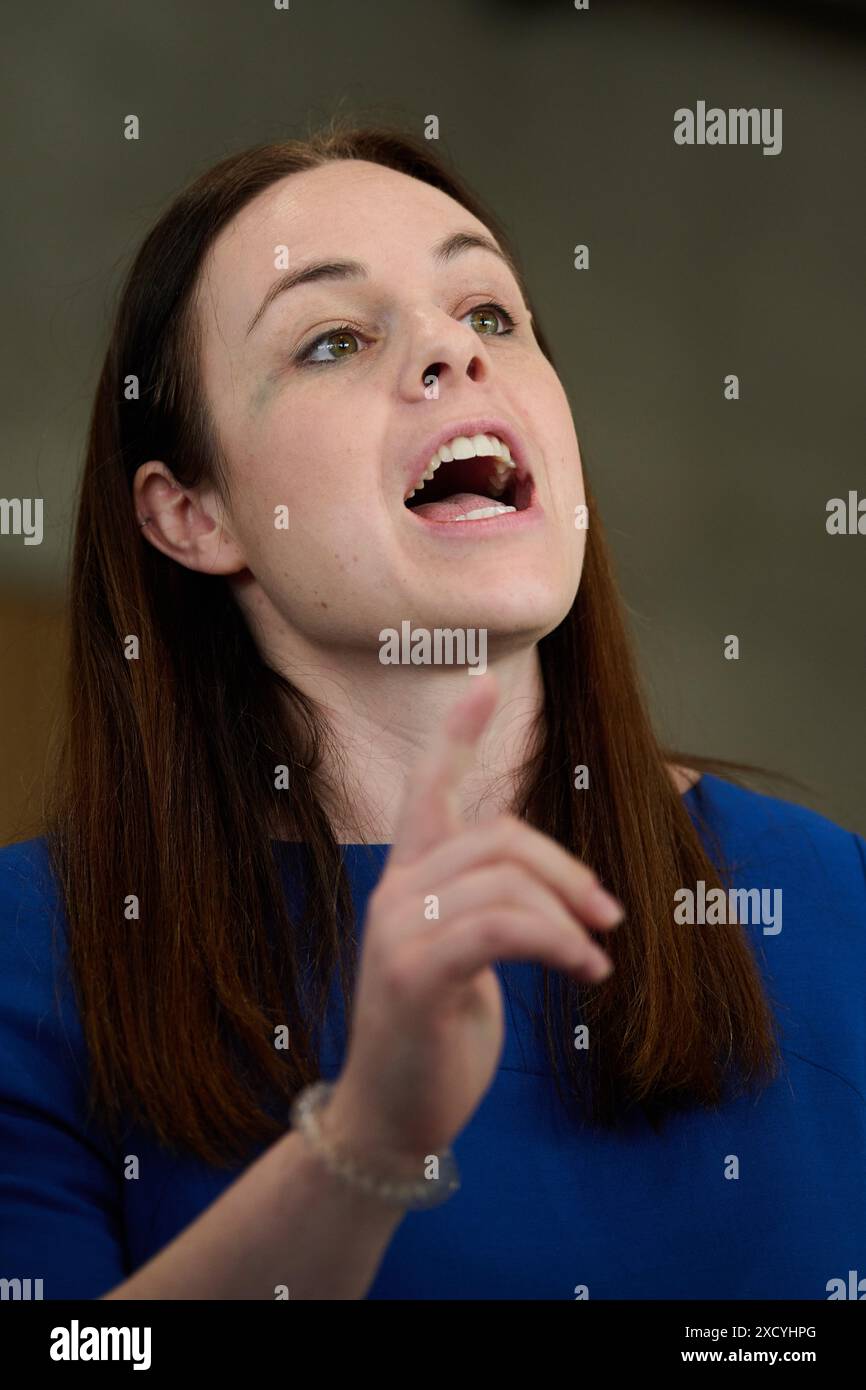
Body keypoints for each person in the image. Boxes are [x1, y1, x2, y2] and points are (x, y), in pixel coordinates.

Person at [1, 119, 864, 1301]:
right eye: (333, 339)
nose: (452, 355)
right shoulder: (30, 960)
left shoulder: (834, 904)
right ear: (192, 515)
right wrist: (363, 1142)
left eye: (489, 314)